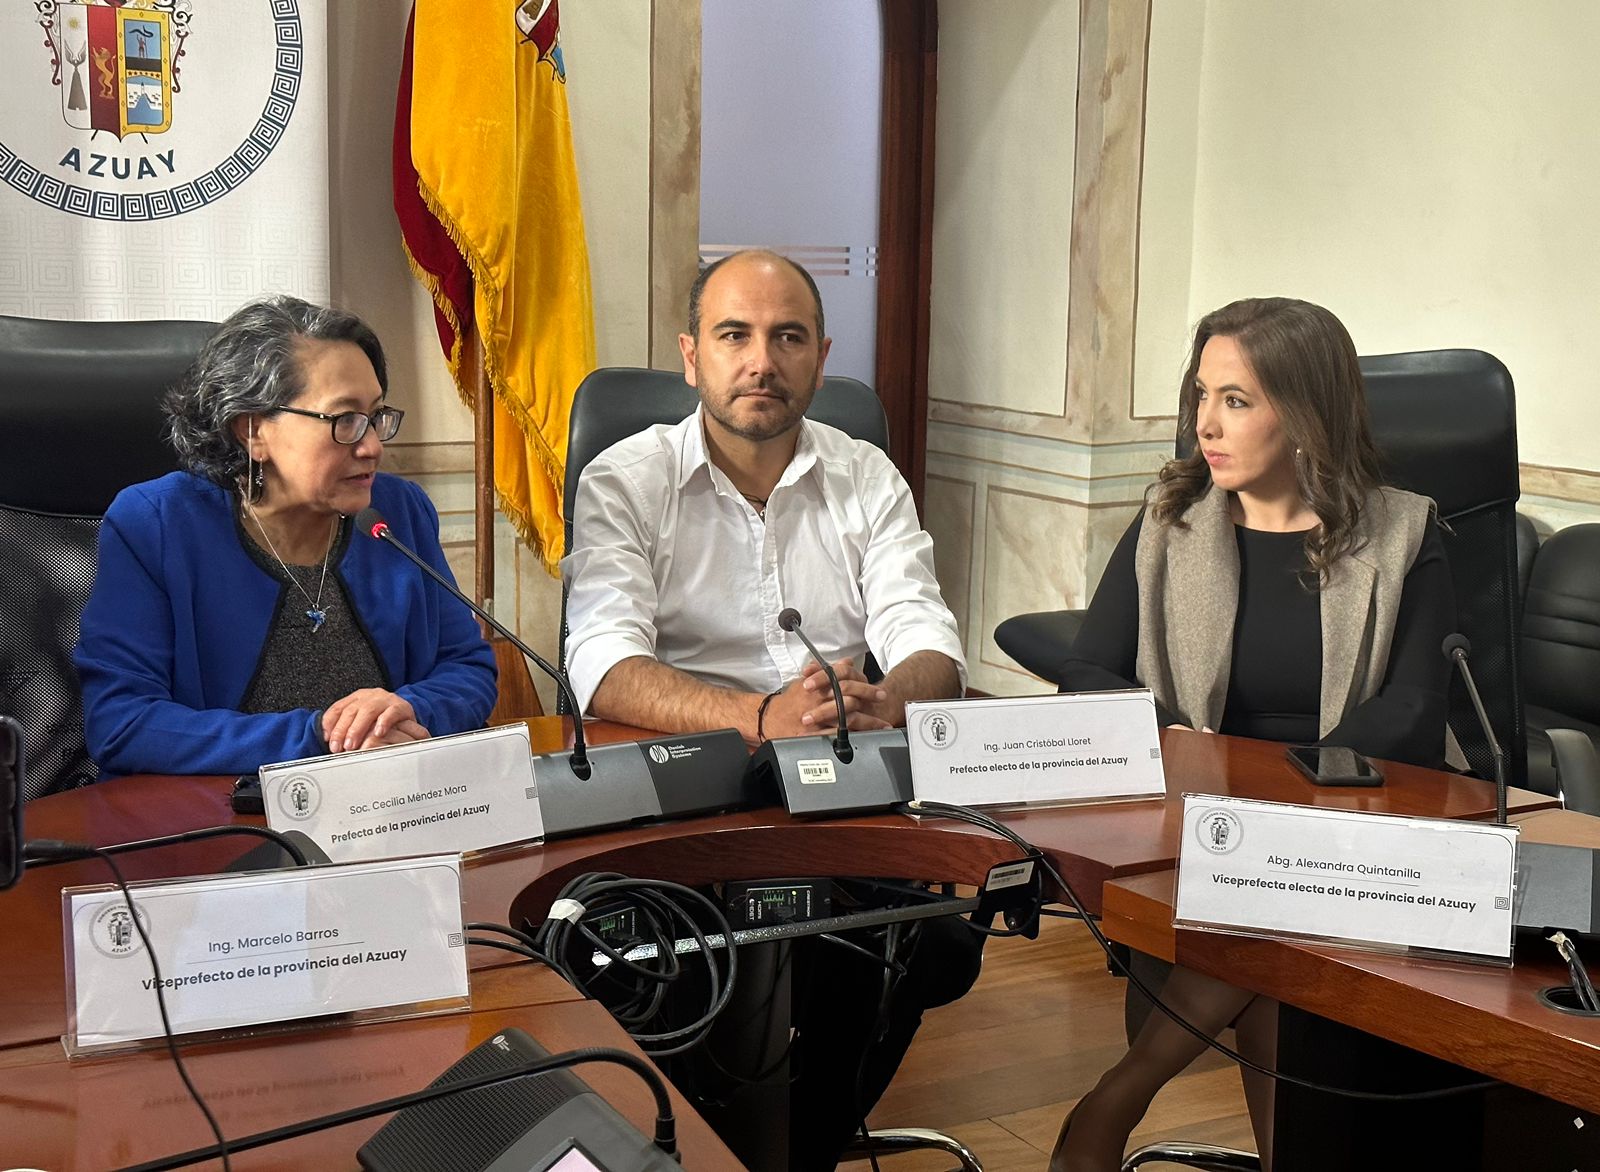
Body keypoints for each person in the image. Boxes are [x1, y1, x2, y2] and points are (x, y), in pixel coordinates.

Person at [561, 249, 975, 1168]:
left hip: (839, 776)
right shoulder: (627, 479)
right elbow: (600, 663)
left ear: (820, 357)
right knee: (667, 969)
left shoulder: (866, 474)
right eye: (735, 336)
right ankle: (712, 1144)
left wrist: (887, 700)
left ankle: (805, 1149)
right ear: (690, 355)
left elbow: (926, 636)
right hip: (689, 779)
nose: (762, 361)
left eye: (787, 337)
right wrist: (760, 717)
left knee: (922, 946)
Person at [1049, 297, 1455, 1171]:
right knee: (1270, 942)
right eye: (1202, 395)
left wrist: (1293, 793)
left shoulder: (1403, 531)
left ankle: (1120, 1095)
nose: (1205, 424)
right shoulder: (1170, 522)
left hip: (1352, 824)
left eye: (1235, 400)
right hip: (1200, 828)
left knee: (1276, 904)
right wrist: (1186, 755)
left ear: (1305, 413)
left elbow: (1416, 708)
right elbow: (1089, 671)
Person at [75, 296, 497, 779]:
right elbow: (123, 723)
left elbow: (467, 667)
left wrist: (409, 710)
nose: (373, 446)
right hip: (222, 823)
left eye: (376, 416)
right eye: (345, 420)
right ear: (253, 431)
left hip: (393, 805)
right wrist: (320, 737)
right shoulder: (155, 524)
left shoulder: (399, 512)